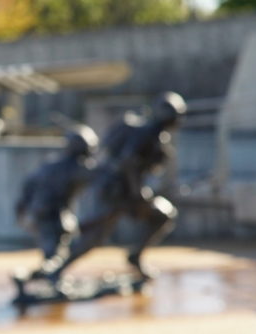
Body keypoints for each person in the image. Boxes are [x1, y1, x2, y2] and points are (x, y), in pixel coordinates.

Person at [42, 92, 186, 285]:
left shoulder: (156, 136)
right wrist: (138, 193)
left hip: (126, 191)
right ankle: (56, 271)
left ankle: (135, 255)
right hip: (115, 191)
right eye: (176, 114)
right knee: (95, 236)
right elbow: (128, 162)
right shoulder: (146, 133)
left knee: (163, 215)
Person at [12, 124, 98, 283]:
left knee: (57, 252)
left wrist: (21, 209)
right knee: (54, 255)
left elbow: (28, 186)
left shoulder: (50, 165)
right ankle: (27, 278)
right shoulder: (74, 167)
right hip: (51, 215)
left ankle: (49, 279)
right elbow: (96, 175)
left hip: (44, 214)